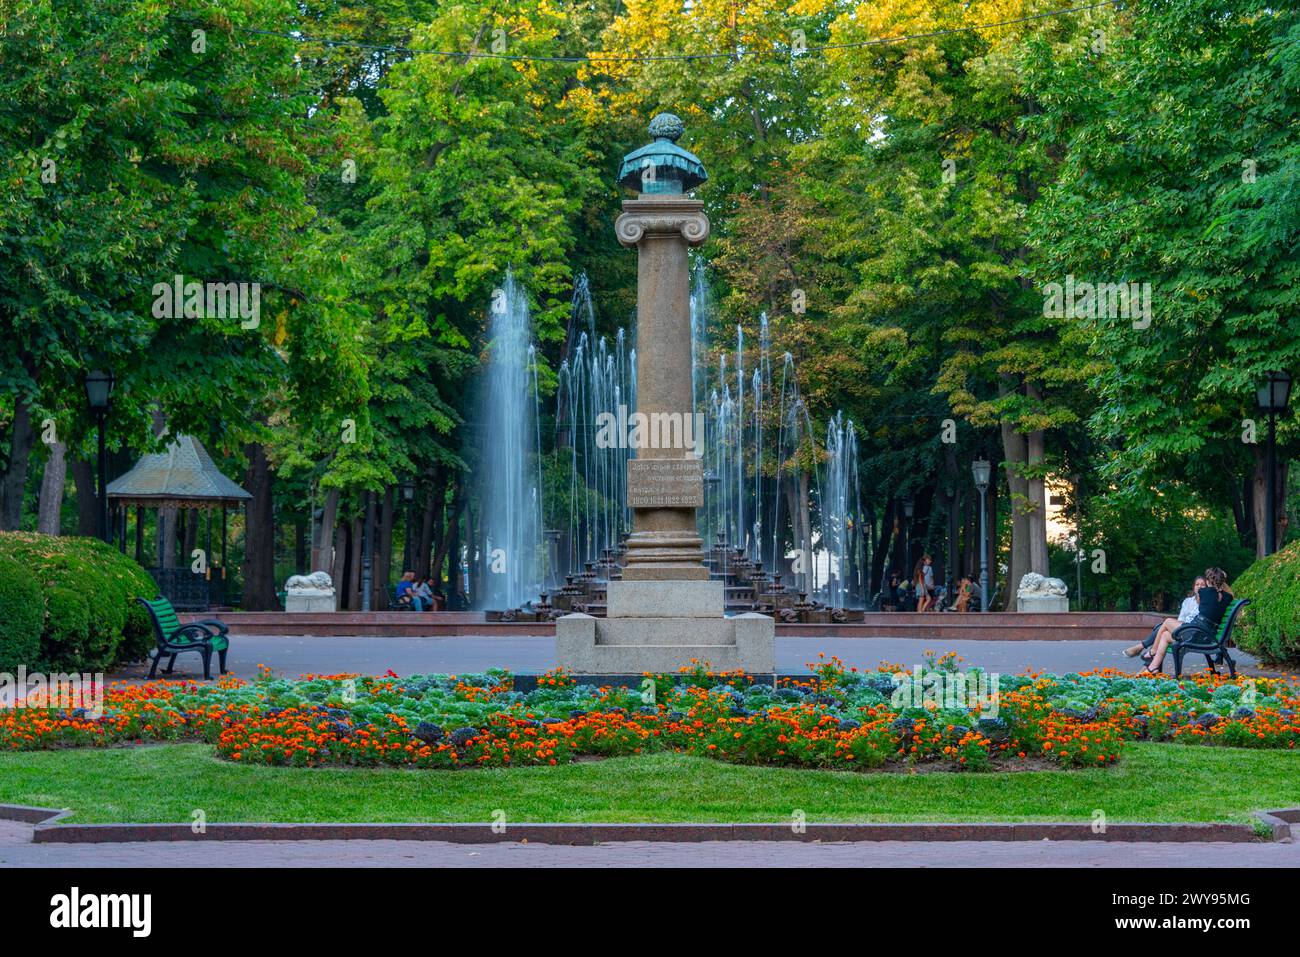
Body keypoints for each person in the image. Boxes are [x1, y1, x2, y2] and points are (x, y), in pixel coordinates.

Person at [1146, 568, 1232, 673]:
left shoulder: (1203, 592)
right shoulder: (1228, 597)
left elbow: (1203, 598)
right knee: (1165, 635)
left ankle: (1153, 651)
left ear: (1208, 581)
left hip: (1196, 632)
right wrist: (1222, 580)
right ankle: (1153, 667)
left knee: (1168, 621)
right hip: (1207, 635)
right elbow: (1228, 592)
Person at [1123, 576, 1204, 660]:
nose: (1199, 586)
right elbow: (1181, 619)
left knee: (1165, 624)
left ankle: (1147, 649)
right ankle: (1148, 658)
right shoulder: (1188, 601)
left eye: (1202, 585)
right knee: (1162, 628)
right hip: (1182, 628)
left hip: (1192, 632)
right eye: (1197, 584)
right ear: (1193, 587)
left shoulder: (1207, 603)